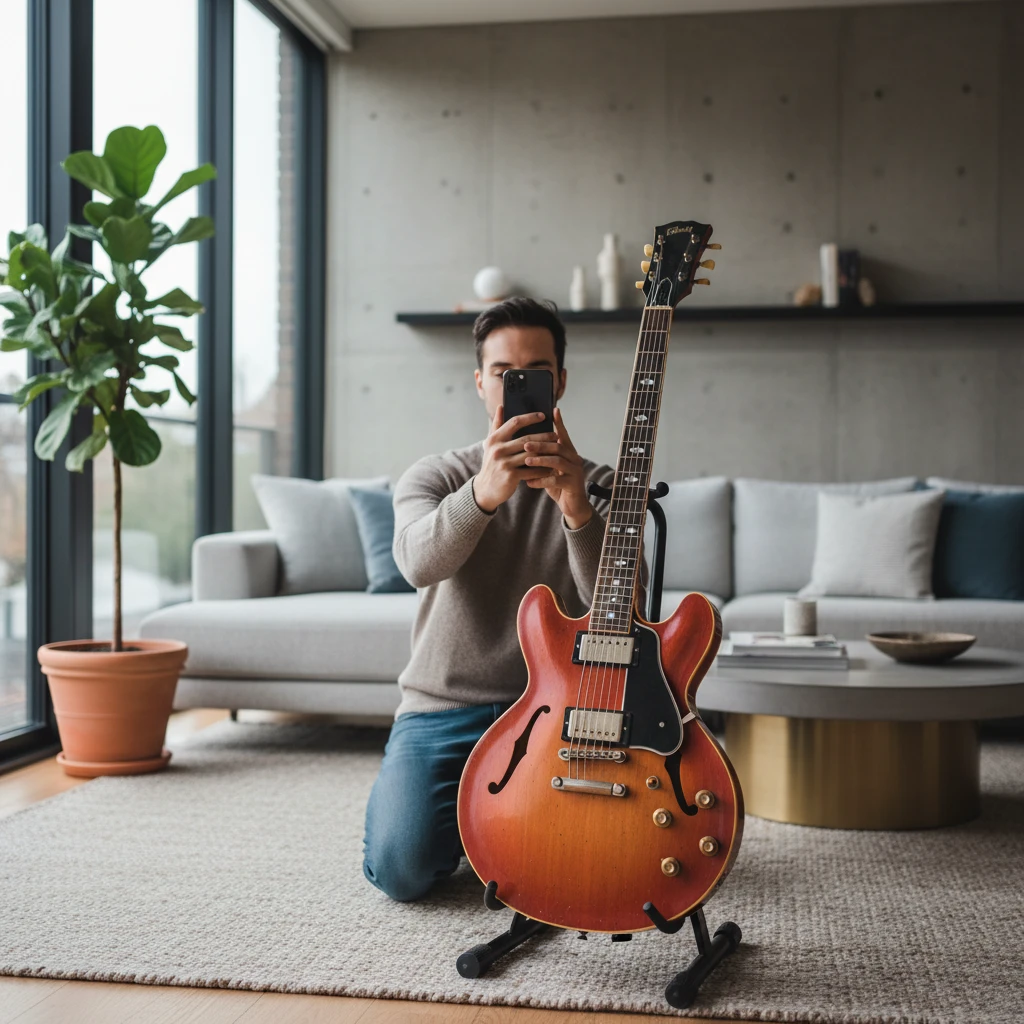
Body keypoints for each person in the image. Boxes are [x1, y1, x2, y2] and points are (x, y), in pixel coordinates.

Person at [362, 296, 617, 902]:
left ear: (559, 382)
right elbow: (418, 565)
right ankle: (483, 820)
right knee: (402, 869)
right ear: (481, 383)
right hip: (443, 707)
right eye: (504, 373)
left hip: (556, 709)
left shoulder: (601, 485)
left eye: (536, 372)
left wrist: (577, 509)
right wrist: (484, 493)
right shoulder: (435, 476)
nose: (517, 384)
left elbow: (622, 611)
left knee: (598, 859)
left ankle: (494, 822)